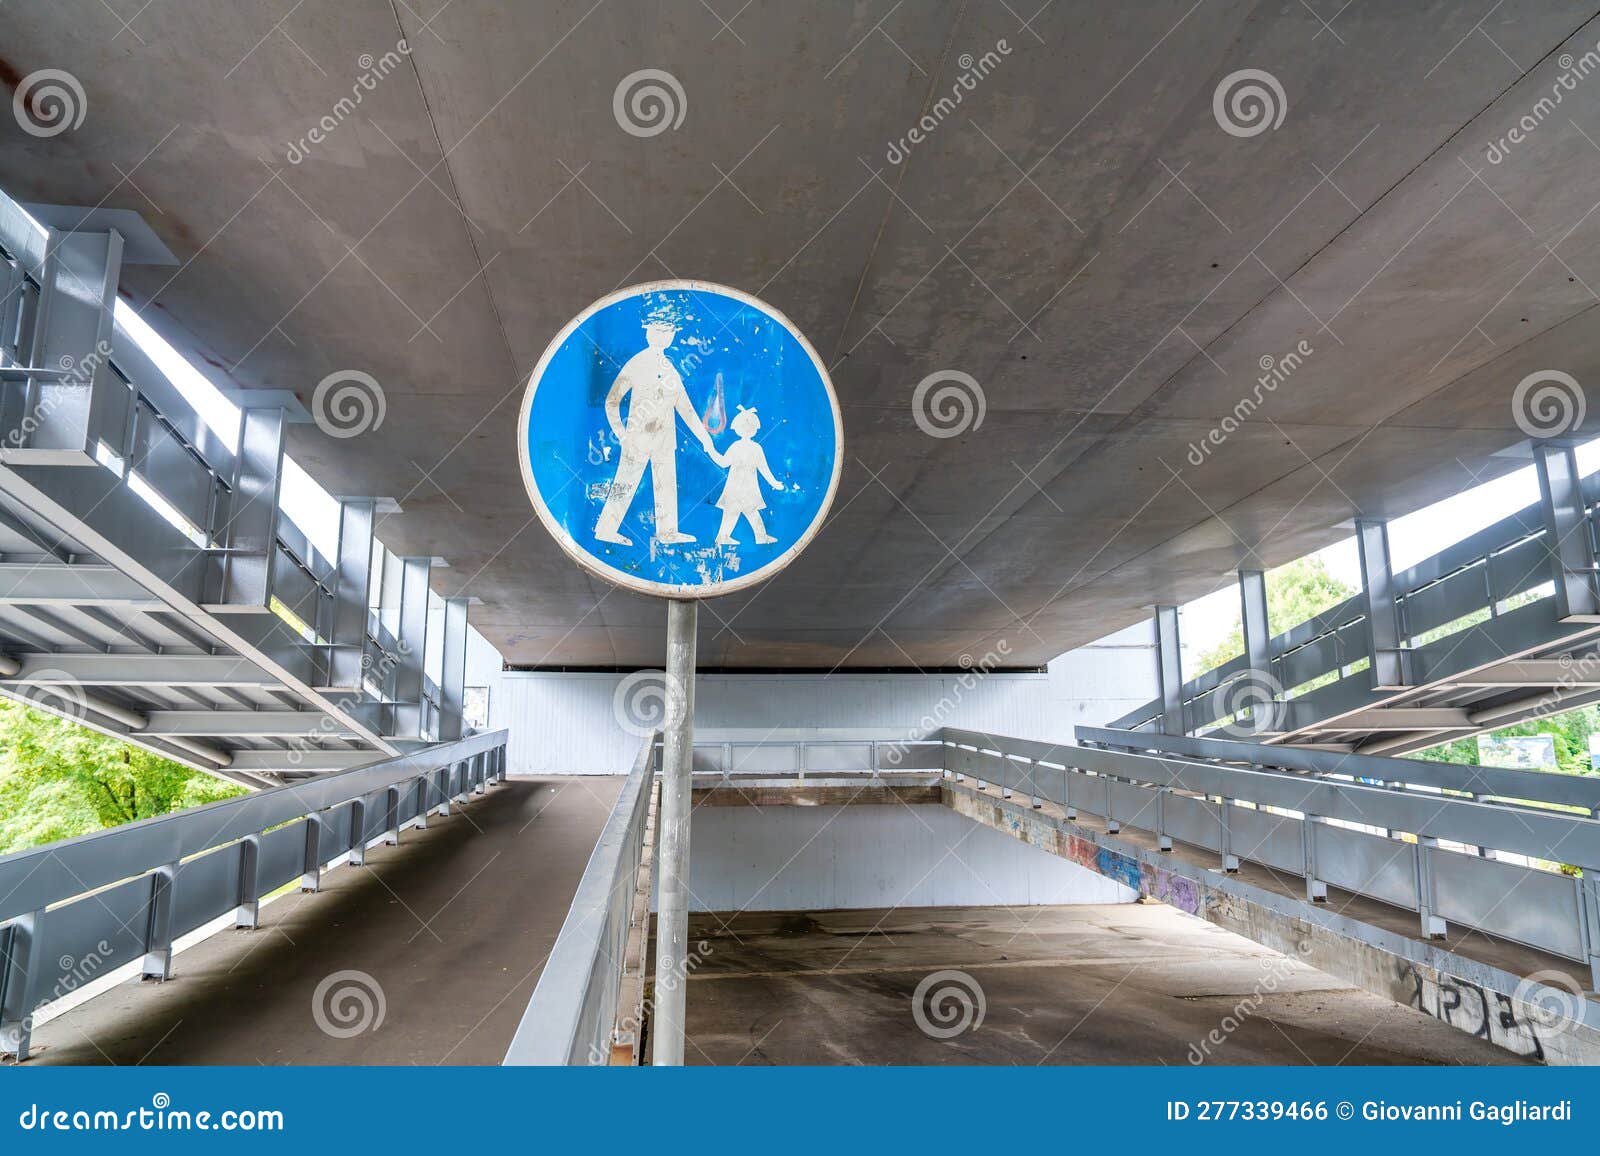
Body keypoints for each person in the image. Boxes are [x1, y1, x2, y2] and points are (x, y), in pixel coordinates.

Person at [593, 318, 725, 546]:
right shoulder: (637, 363)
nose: (663, 336)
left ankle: (668, 533)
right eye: (658, 331)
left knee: (666, 486)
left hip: (665, 440)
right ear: (647, 333)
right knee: (624, 484)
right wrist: (622, 435)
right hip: (637, 438)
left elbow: (687, 410)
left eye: (669, 331)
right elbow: (612, 401)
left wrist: (707, 442)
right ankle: (605, 530)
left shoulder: (671, 369)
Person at [714, 406, 784, 545]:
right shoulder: (738, 446)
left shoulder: (756, 448)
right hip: (737, 488)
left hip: (747, 488)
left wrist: (774, 483)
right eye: (744, 426)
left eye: (749, 427)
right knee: (736, 512)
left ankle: (758, 537)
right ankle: (724, 537)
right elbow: (723, 463)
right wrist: (711, 451)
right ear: (738, 429)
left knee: (746, 512)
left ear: (754, 429)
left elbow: (764, 468)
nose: (746, 429)